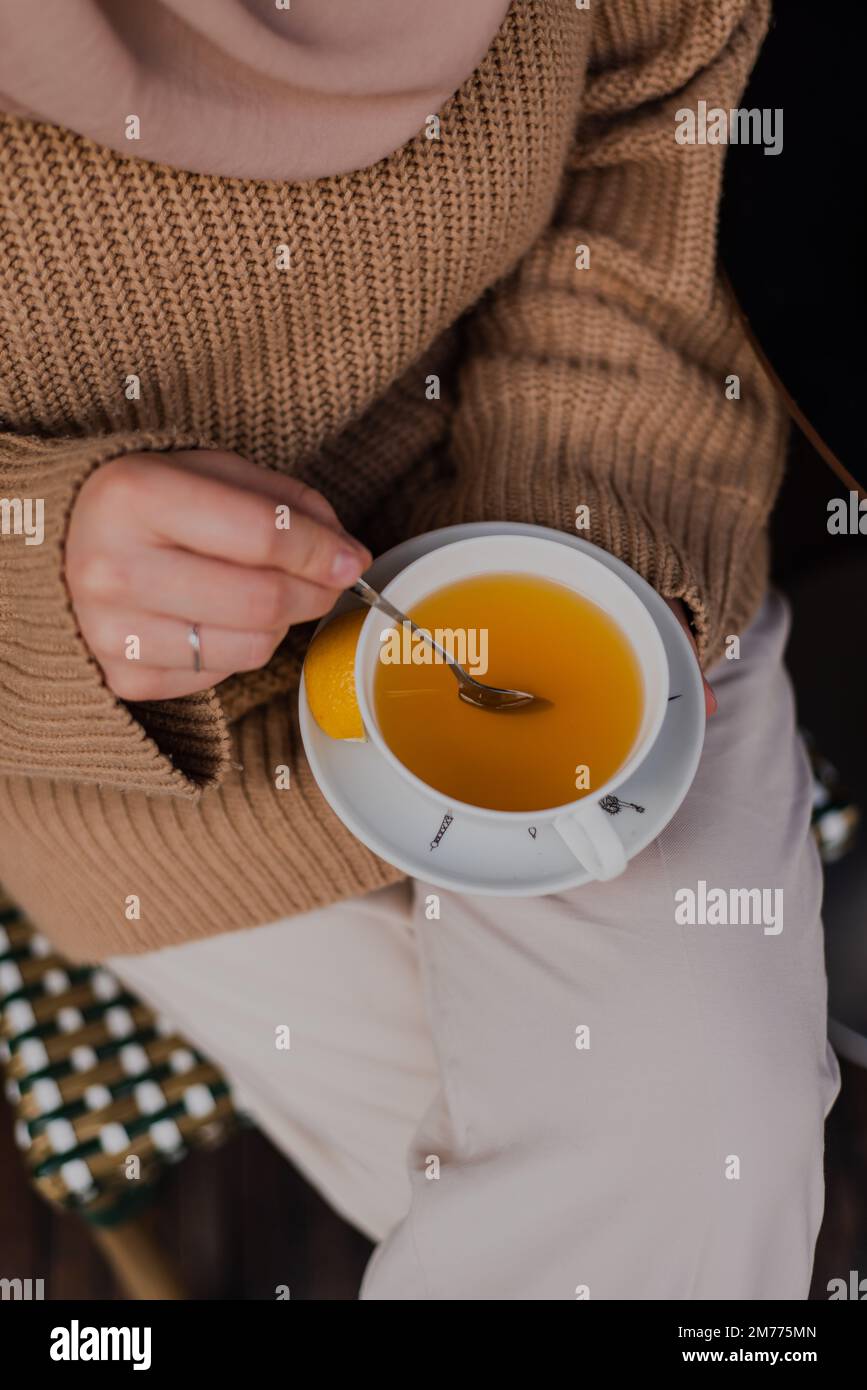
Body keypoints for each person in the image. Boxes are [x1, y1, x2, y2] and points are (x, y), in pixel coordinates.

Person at [0, 0, 839, 1298]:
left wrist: (598, 526)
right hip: (163, 776)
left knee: (693, 1153)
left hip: (576, 546)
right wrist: (31, 580)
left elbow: (638, 156)